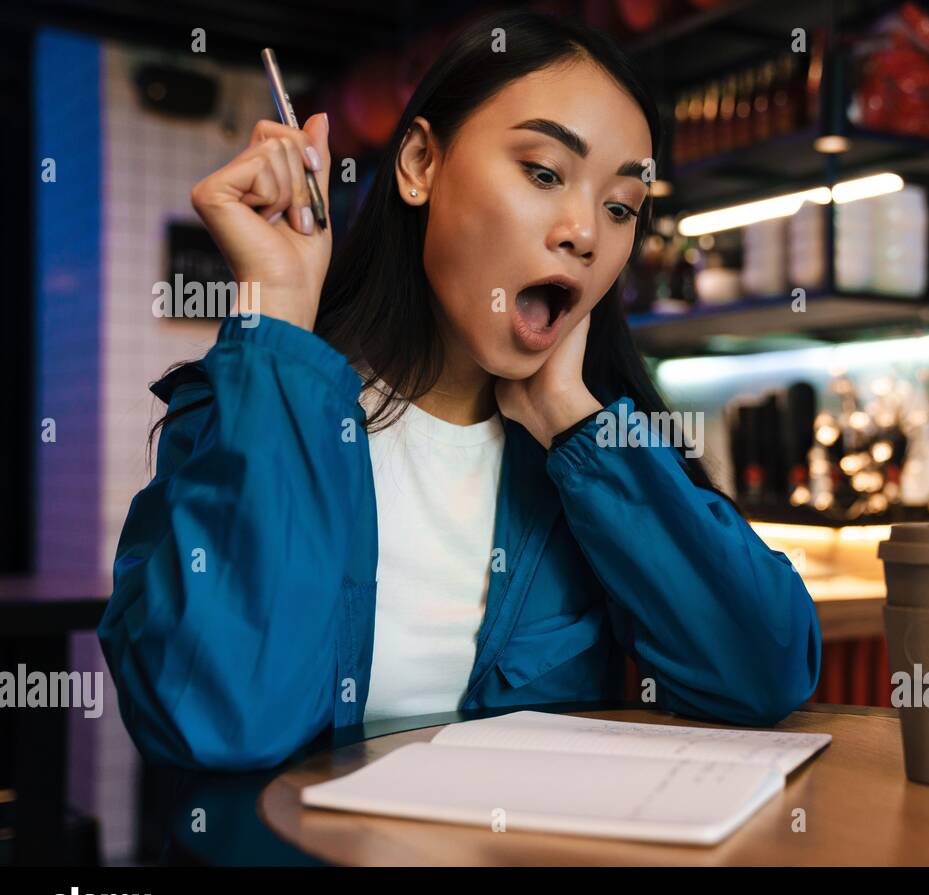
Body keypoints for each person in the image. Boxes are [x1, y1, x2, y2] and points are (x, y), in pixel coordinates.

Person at [98, 9, 822, 771]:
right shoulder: (248, 409)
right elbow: (217, 718)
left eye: (621, 207)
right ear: (419, 164)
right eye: (543, 173)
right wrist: (278, 314)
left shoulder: (588, 455)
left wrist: (574, 421)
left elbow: (764, 673)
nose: (585, 232)